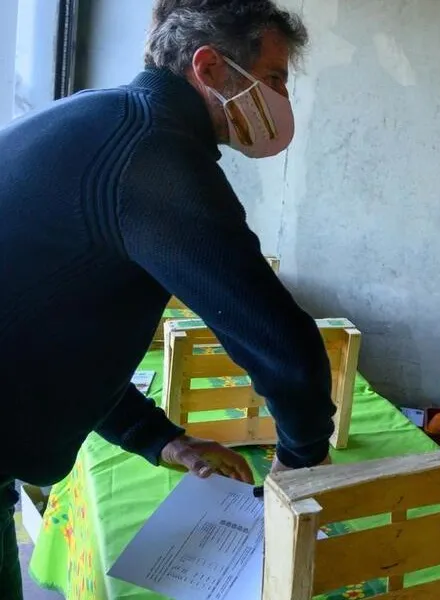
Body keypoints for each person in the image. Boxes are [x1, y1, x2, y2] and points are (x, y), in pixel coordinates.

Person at [0, 1, 338, 595]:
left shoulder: (106, 119)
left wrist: (162, 440)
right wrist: (301, 461)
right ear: (209, 68)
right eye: (275, 78)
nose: (283, 100)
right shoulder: (153, 151)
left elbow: (58, 337)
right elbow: (280, 342)